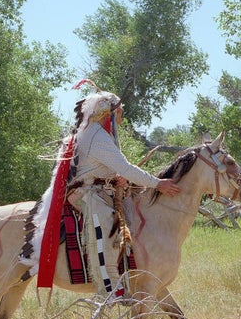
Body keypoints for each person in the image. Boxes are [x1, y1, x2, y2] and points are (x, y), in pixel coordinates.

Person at [22, 83, 181, 299]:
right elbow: (125, 168)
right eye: (120, 112)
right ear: (110, 113)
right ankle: (110, 287)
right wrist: (157, 183)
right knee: (107, 227)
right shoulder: (98, 136)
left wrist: (115, 178)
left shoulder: (93, 132)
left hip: (99, 188)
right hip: (89, 194)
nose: (121, 117)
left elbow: (105, 168)